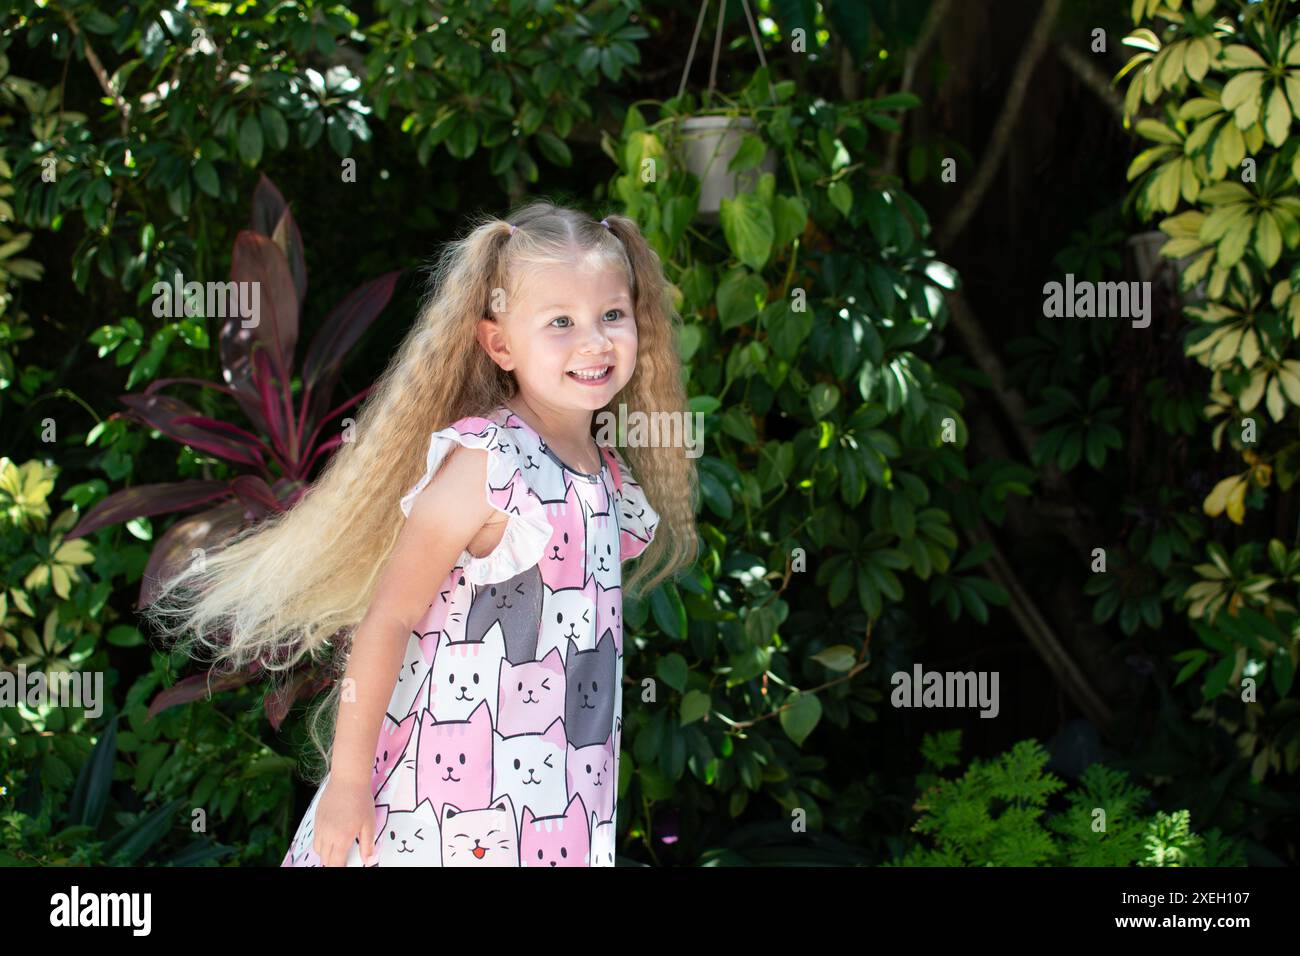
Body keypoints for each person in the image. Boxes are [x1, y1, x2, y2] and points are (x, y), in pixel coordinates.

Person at [142, 201, 698, 866]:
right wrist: (348, 782)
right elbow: (389, 618)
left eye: (613, 314)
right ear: (500, 343)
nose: (595, 341)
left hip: (555, 801)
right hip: (443, 803)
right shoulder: (488, 465)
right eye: (560, 322)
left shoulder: (604, 476)